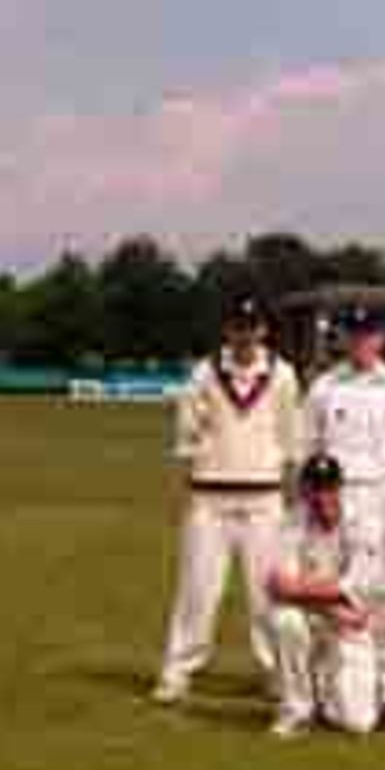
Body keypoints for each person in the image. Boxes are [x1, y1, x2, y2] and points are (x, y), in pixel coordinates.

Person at [153, 297, 301, 705]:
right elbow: (187, 434)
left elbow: (290, 438)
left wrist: (283, 487)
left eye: (251, 326)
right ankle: (177, 672)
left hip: (263, 498)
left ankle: (277, 674)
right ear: (227, 330)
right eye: (238, 326)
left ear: (263, 330)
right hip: (211, 498)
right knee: (198, 591)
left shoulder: (283, 375)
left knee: (267, 594)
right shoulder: (203, 374)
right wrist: (201, 473)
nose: (244, 334)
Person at [303, 304, 385, 710]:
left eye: (368, 334)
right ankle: (323, 673)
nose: (361, 342)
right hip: (337, 494)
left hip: (384, 490)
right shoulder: (324, 387)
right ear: (343, 338)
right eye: (353, 334)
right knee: (335, 584)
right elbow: (309, 447)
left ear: (381, 338)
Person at [267, 454, 385, 739]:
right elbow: (279, 586)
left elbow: (352, 589)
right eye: (315, 488)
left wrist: (305, 589)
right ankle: (296, 710)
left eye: (328, 487)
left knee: (357, 723)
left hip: (352, 625)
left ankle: (325, 686)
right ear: (305, 490)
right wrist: (330, 605)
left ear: (340, 488)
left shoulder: (364, 523)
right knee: (285, 620)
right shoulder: (292, 521)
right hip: (326, 616)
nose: (322, 496)